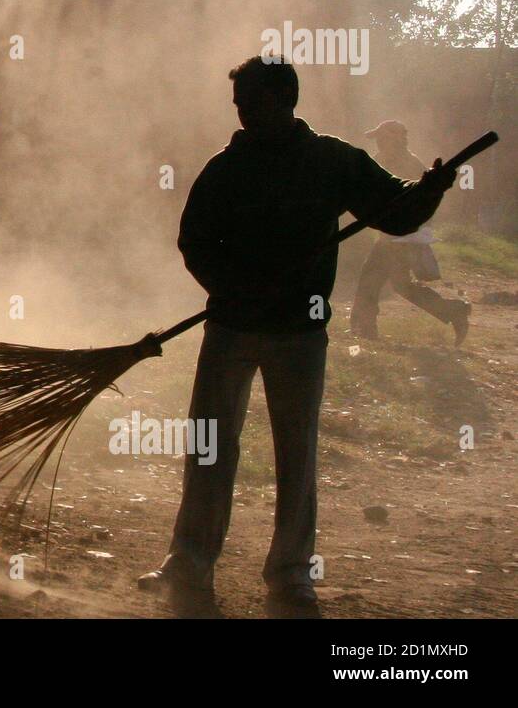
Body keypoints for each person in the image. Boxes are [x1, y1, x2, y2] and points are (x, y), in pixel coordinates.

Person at [137, 56, 456, 618]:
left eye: (249, 105)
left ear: (284, 102)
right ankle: (188, 562)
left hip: (299, 331)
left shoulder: (330, 160)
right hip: (231, 326)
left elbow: (398, 212)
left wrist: (429, 190)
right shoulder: (226, 167)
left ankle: (290, 576)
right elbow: (194, 240)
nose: (240, 117)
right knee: (209, 447)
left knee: (296, 451)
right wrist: (231, 285)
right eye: (237, 107)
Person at [349, 120, 471, 344]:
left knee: (370, 279)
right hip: (395, 235)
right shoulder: (387, 160)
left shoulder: (407, 163)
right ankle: (453, 311)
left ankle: (363, 329)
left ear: (392, 139)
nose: (379, 142)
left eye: (382, 138)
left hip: (399, 237)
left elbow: (420, 202)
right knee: (400, 285)